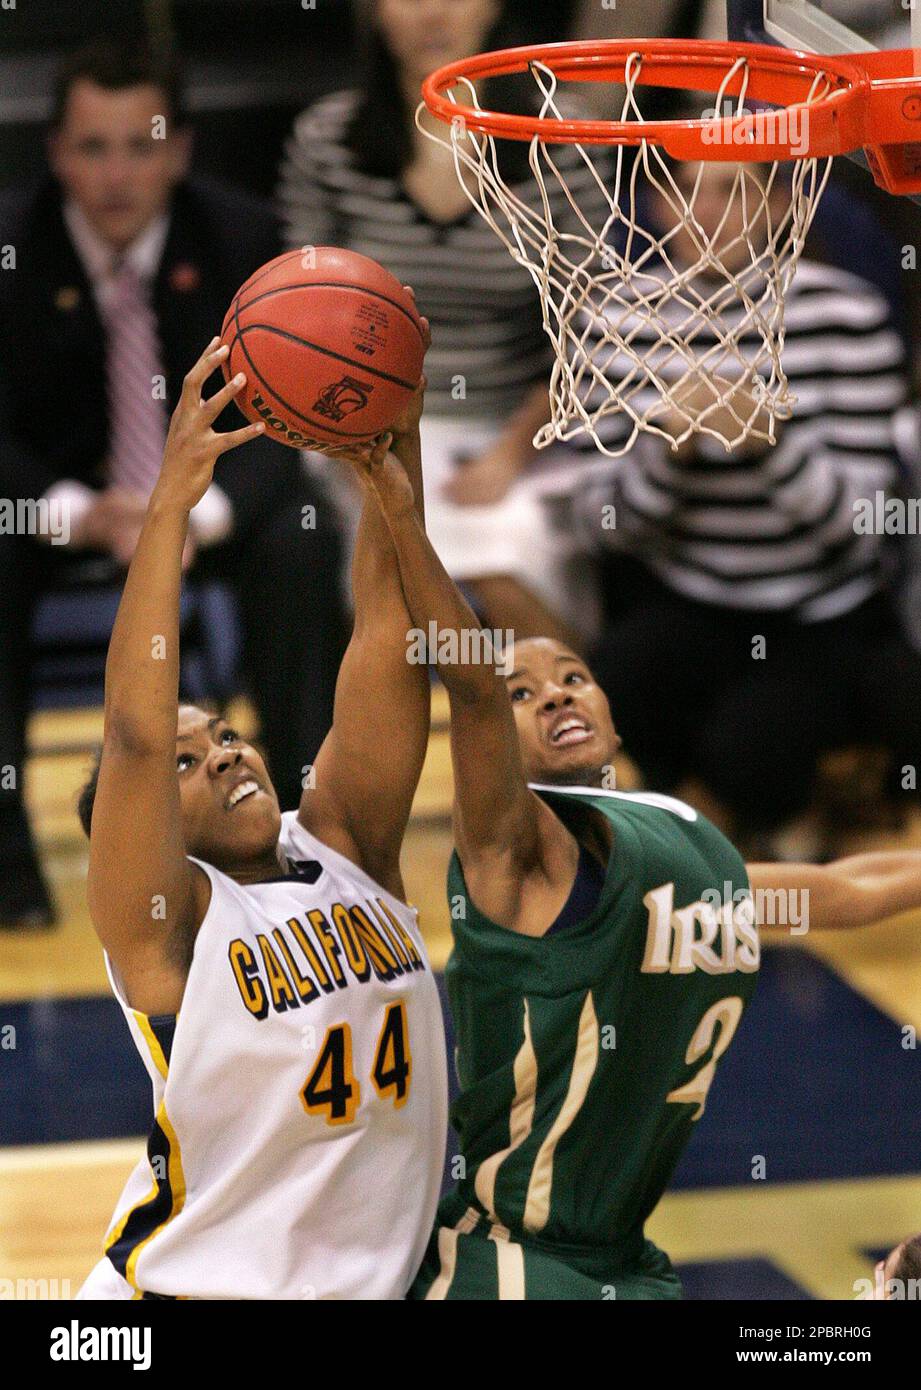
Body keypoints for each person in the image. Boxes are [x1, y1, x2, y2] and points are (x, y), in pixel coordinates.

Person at [344, 434, 921, 1300]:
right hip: (514, 1256)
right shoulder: (517, 851)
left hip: (621, 1258)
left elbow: (839, 893)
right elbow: (464, 687)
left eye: (572, 676)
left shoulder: (673, 835)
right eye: (523, 694)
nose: (557, 695)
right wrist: (398, 509)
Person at [75, 338, 447, 1300]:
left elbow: (387, 634)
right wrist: (171, 502)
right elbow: (134, 738)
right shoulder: (168, 928)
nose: (227, 755)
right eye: (192, 763)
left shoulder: (347, 845)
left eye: (228, 737)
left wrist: (391, 461)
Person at [0, 40, 347, 929]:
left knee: (303, 530)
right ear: (55, 153)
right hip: (59, 509)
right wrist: (77, 516)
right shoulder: (11, 250)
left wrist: (193, 513)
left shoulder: (243, 240)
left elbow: (287, 416)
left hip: (206, 504)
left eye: (142, 145)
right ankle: (7, 856)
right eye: (93, 147)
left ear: (182, 150)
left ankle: (306, 835)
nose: (118, 173)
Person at [571, 159, 920, 852]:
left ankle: (713, 846)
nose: (707, 211)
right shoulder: (609, 317)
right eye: (686, 188)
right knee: (607, 697)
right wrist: (666, 458)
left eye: (734, 190)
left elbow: (861, 534)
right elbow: (600, 527)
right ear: (656, 203)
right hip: (686, 595)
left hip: (818, 606)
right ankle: (734, 831)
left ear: (780, 204)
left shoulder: (845, 316)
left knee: (751, 752)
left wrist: (771, 450)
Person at [278, 0, 612, 649]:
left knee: (507, 571)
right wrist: (360, 454)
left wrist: (513, 450)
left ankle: (563, 742)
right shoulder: (328, 139)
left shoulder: (561, 136)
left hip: (527, 424)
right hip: (362, 426)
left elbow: (594, 324)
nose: (433, 12)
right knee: (387, 584)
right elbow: (299, 316)